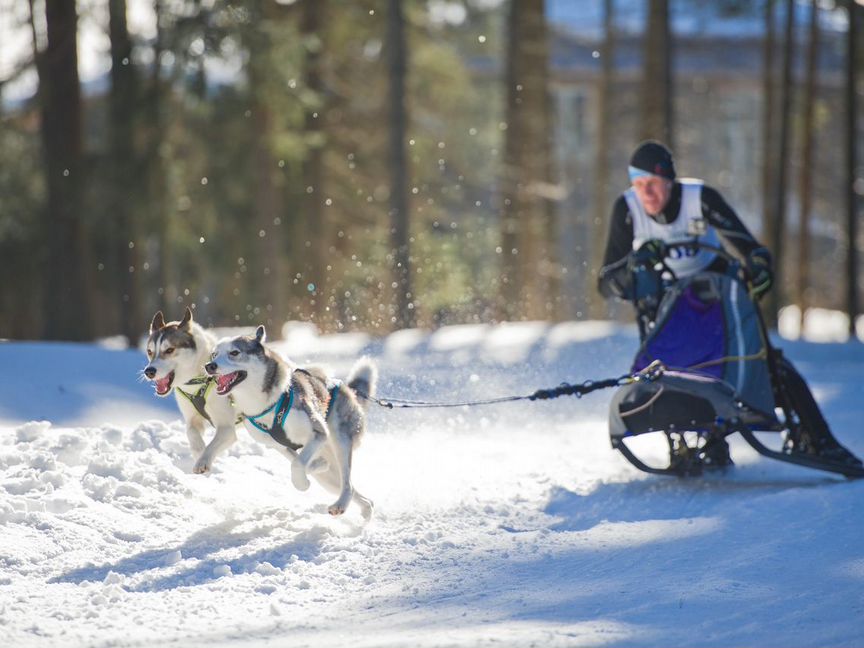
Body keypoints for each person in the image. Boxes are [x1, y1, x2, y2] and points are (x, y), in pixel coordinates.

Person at [597, 140, 861, 468]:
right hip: (666, 309)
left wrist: (760, 267)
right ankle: (700, 437)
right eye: (638, 184)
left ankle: (819, 439)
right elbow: (606, 284)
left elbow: (749, 248)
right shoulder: (627, 208)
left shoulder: (699, 198)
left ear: (670, 182)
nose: (645, 193)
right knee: (674, 361)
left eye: (652, 183)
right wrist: (634, 264)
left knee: (772, 366)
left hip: (715, 298)